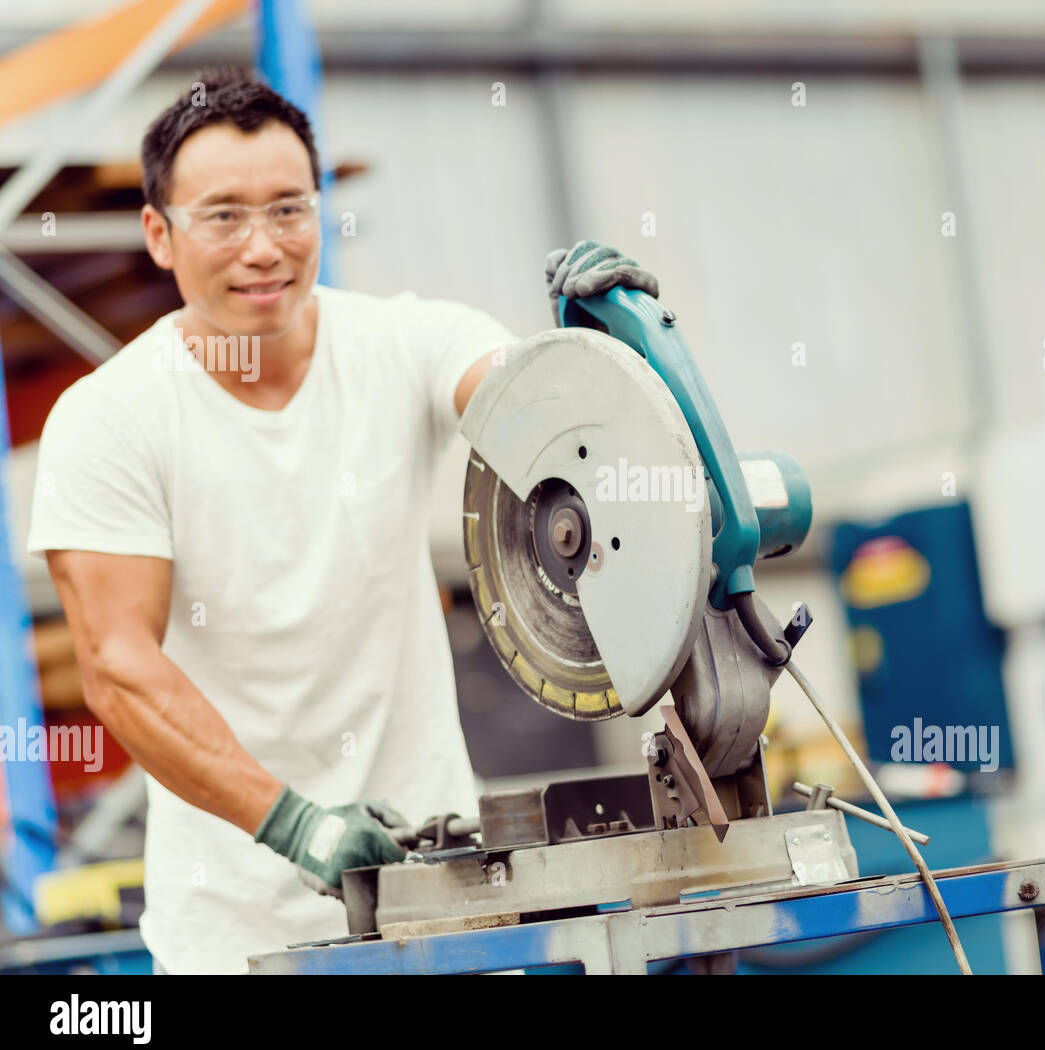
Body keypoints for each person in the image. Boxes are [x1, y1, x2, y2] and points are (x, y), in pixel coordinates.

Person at [26, 69, 659, 974]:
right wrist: (295, 827)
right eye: (223, 216)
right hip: (235, 935)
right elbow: (119, 670)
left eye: (289, 209)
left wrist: (601, 350)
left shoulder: (402, 344)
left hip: (438, 901)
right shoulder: (111, 417)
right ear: (159, 235)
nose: (263, 247)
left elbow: (527, 404)